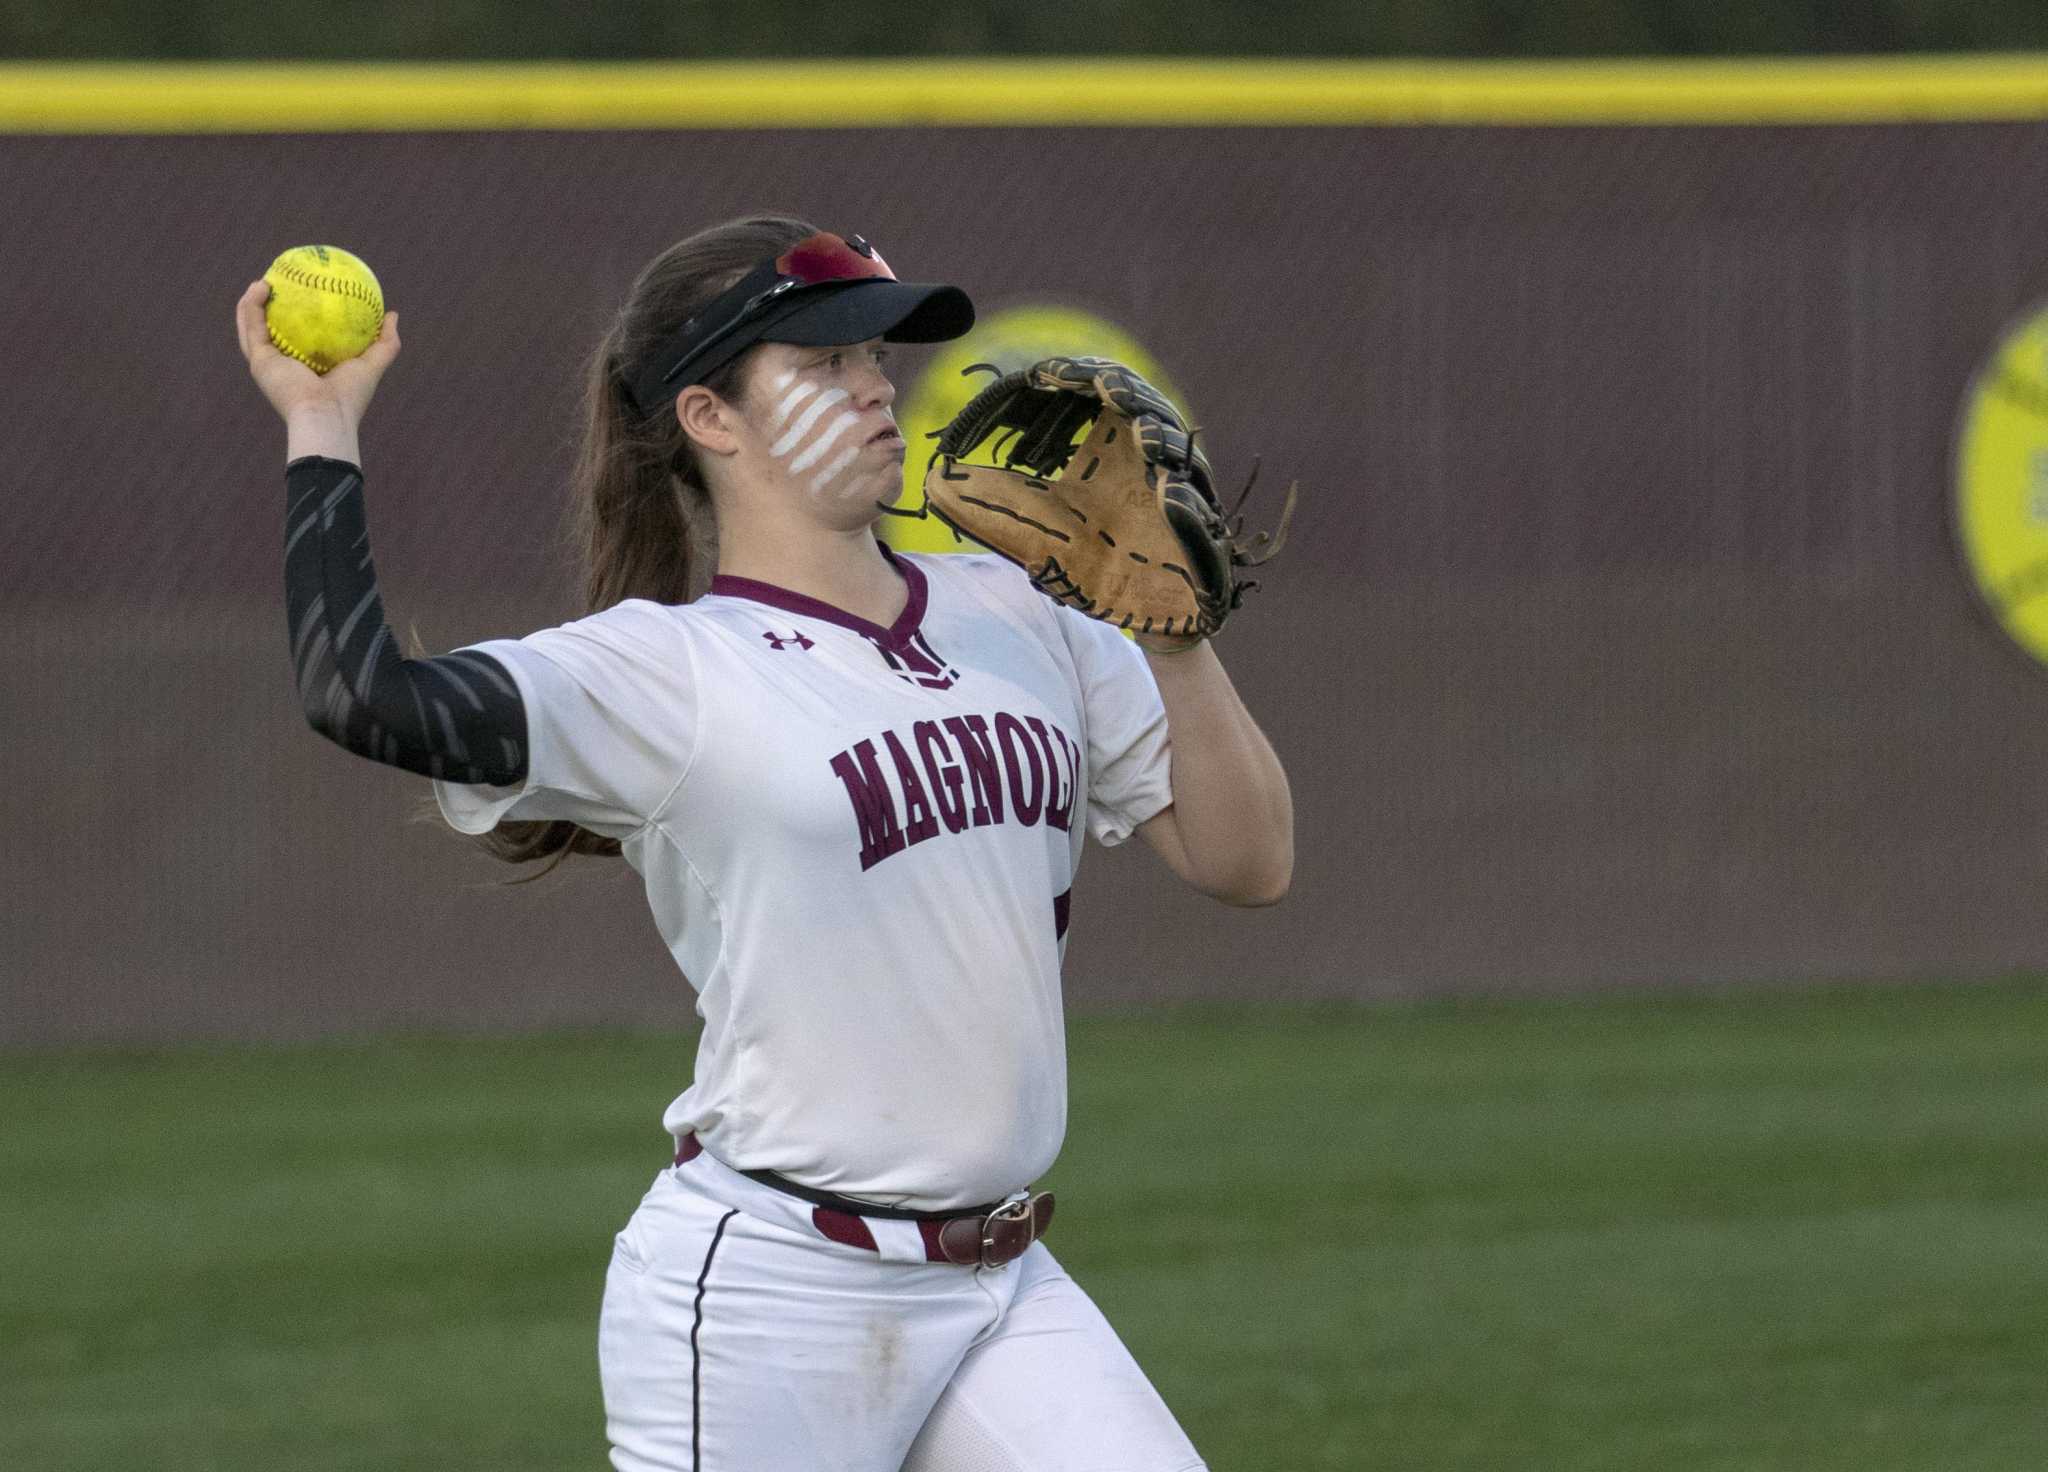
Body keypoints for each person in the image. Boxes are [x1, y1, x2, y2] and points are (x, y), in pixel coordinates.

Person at [235, 214, 1292, 1472]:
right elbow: (358, 694)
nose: (872, 387)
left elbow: (1248, 862)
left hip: (1002, 1287)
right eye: (823, 361)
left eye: (874, 357)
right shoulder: (666, 670)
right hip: (770, 1303)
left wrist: (1179, 648)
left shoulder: (1020, 608)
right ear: (708, 416)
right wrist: (321, 423)